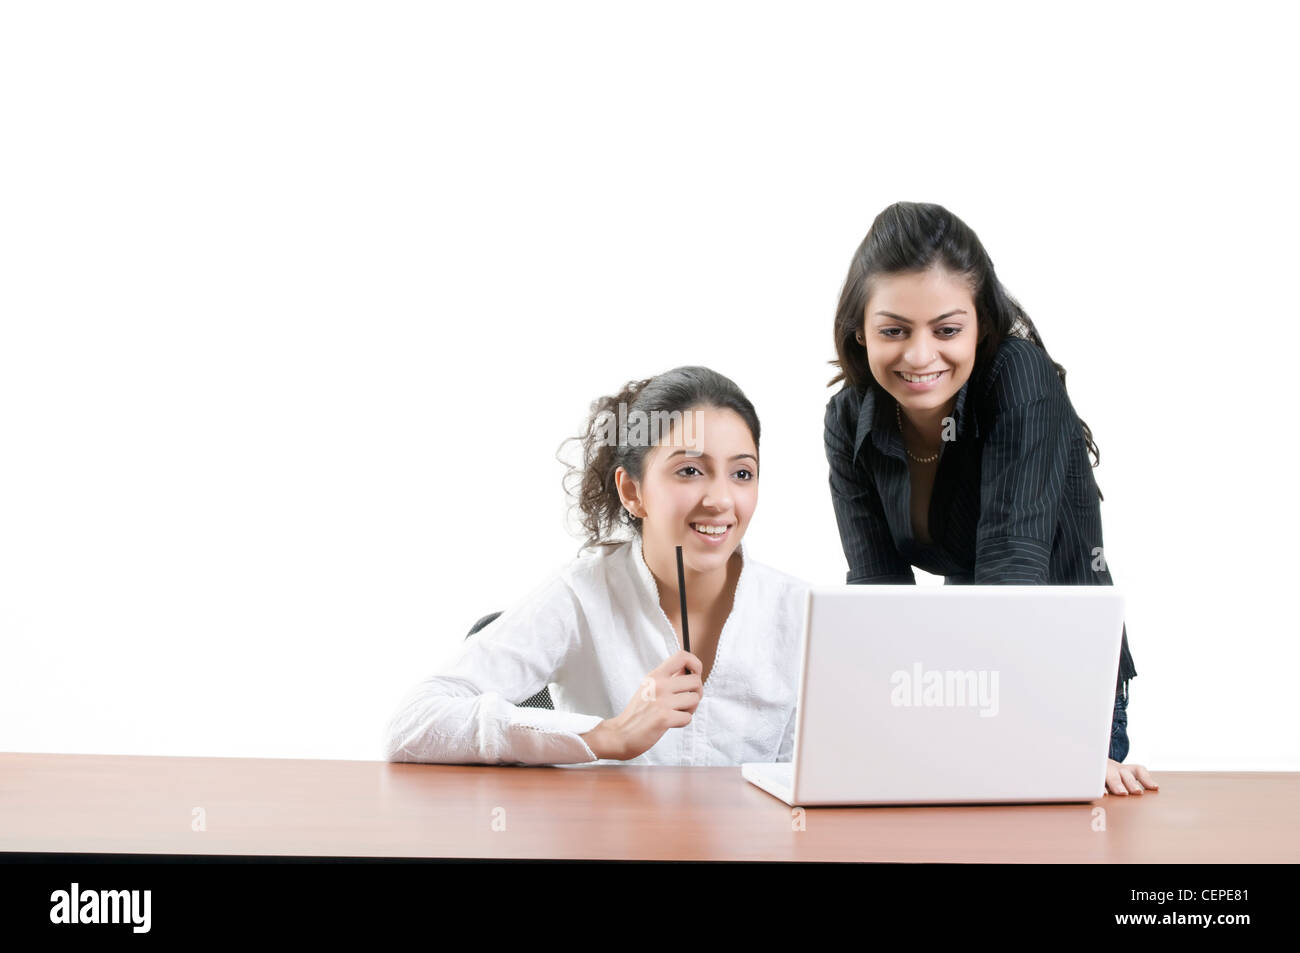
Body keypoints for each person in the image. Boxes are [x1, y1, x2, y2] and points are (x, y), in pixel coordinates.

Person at [823, 201, 1157, 796]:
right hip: (959, 675)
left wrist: (1061, 746)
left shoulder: (1017, 378)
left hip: (1059, 680)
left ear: (980, 323)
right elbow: (878, 593)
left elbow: (1010, 578)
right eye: (893, 330)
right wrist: (880, 732)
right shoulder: (850, 420)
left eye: (947, 330)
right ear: (860, 331)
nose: (920, 356)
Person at [383, 366, 810, 766]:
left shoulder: (800, 612)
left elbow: (823, 779)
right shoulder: (583, 593)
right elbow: (412, 724)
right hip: (605, 844)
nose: (719, 501)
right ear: (632, 491)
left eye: (741, 474)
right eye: (690, 470)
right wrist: (608, 735)